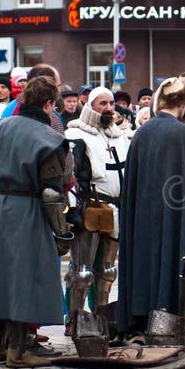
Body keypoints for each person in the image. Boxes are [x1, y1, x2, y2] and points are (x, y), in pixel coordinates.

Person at [116, 77, 185, 336]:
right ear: (184, 103)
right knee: (176, 256)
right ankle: (182, 317)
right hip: (178, 217)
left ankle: (143, 316)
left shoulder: (141, 133)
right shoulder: (182, 134)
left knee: (147, 258)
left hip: (144, 217)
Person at [0, 76, 70, 368]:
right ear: (49, 104)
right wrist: (61, 232)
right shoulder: (48, 138)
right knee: (24, 277)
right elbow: (51, 192)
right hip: (28, 209)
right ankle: (18, 349)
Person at [64, 87, 131, 333]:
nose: (109, 108)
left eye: (111, 103)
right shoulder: (75, 135)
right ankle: (74, 321)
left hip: (116, 207)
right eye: (103, 103)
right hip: (89, 207)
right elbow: (69, 177)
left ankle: (102, 319)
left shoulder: (120, 136)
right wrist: (72, 210)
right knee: (82, 272)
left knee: (109, 271)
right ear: (90, 105)